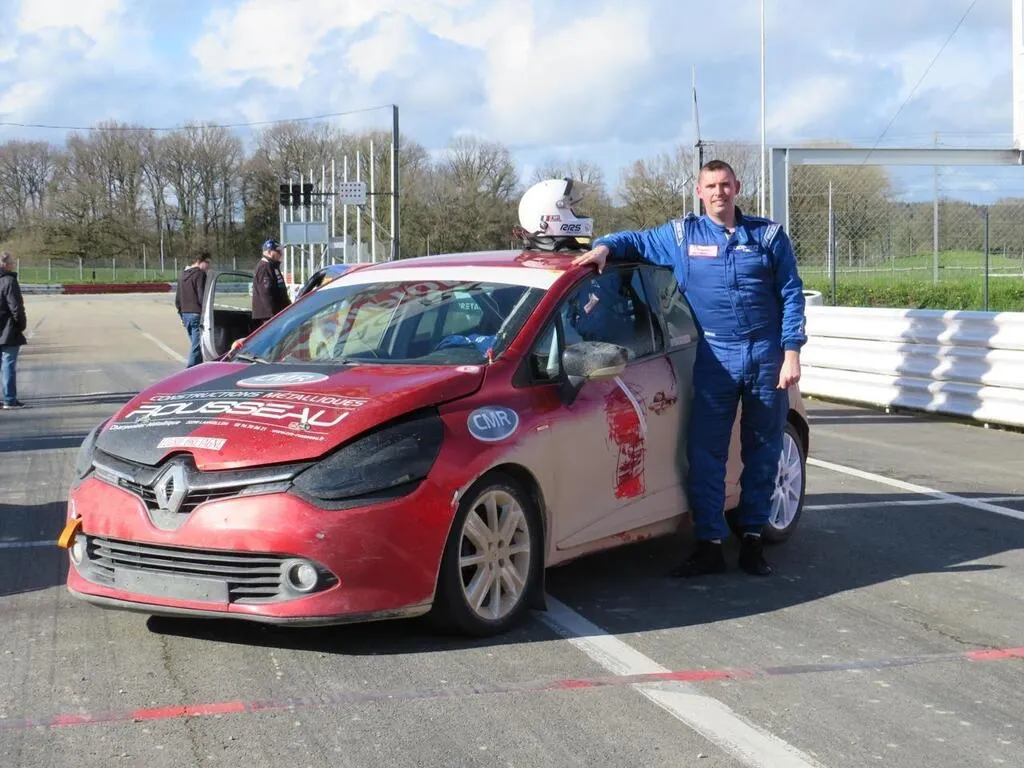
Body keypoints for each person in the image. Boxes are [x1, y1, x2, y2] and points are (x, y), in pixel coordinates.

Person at [572, 159, 806, 578]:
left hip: (766, 355)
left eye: (726, 185)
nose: (719, 192)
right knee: (705, 452)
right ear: (699, 192)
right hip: (716, 357)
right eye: (711, 186)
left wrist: (792, 353)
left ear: (737, 188)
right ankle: (710, 544)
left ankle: (752, 538)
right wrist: (606, 245)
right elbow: (634, 241)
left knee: (763, 448)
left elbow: (791, 294)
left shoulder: (768, 236)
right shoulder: (681, 236)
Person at [173, 251, 211, 367]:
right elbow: (202, 297)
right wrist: (206, 313)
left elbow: (177, 300)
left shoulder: (182, 275)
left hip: (186, 314)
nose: (209, 266)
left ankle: (197, 370)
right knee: (197, 346)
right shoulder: (200, 274)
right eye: (207, 262)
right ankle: (189, 371)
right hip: (196, 314)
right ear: (200, 262)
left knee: (196, 346)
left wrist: (181, 315)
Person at [0, 251, 28, 410]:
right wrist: (21, 325)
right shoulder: (9, 281)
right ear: (6, 264)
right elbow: (16, 307)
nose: (14, 264)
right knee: (8, 364)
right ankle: (9, 399)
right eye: (12, 262)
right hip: (8, 329)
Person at [252, 238, 291, 327]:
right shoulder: (264, 268)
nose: (280, 254)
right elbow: (266, 294)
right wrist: (274, 316)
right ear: (269, 252)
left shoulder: (272, 266)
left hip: (278, 315)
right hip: (270, 317)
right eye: (277, 251)